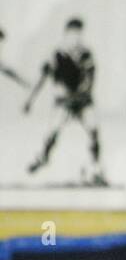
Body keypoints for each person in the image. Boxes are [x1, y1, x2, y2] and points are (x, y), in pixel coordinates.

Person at [24, 18, 105, 186]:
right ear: (66, 34)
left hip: (83, 101)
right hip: (64, 102)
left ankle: (96, 168)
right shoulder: (56, 55)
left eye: (79, 34)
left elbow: (91, 77)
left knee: (94, 131)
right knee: (53, 132)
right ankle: (43, 157)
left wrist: (85, 90)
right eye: (73, 34)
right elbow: (42, 78)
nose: (76, 38)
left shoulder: (86, 54)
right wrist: (30, 100)